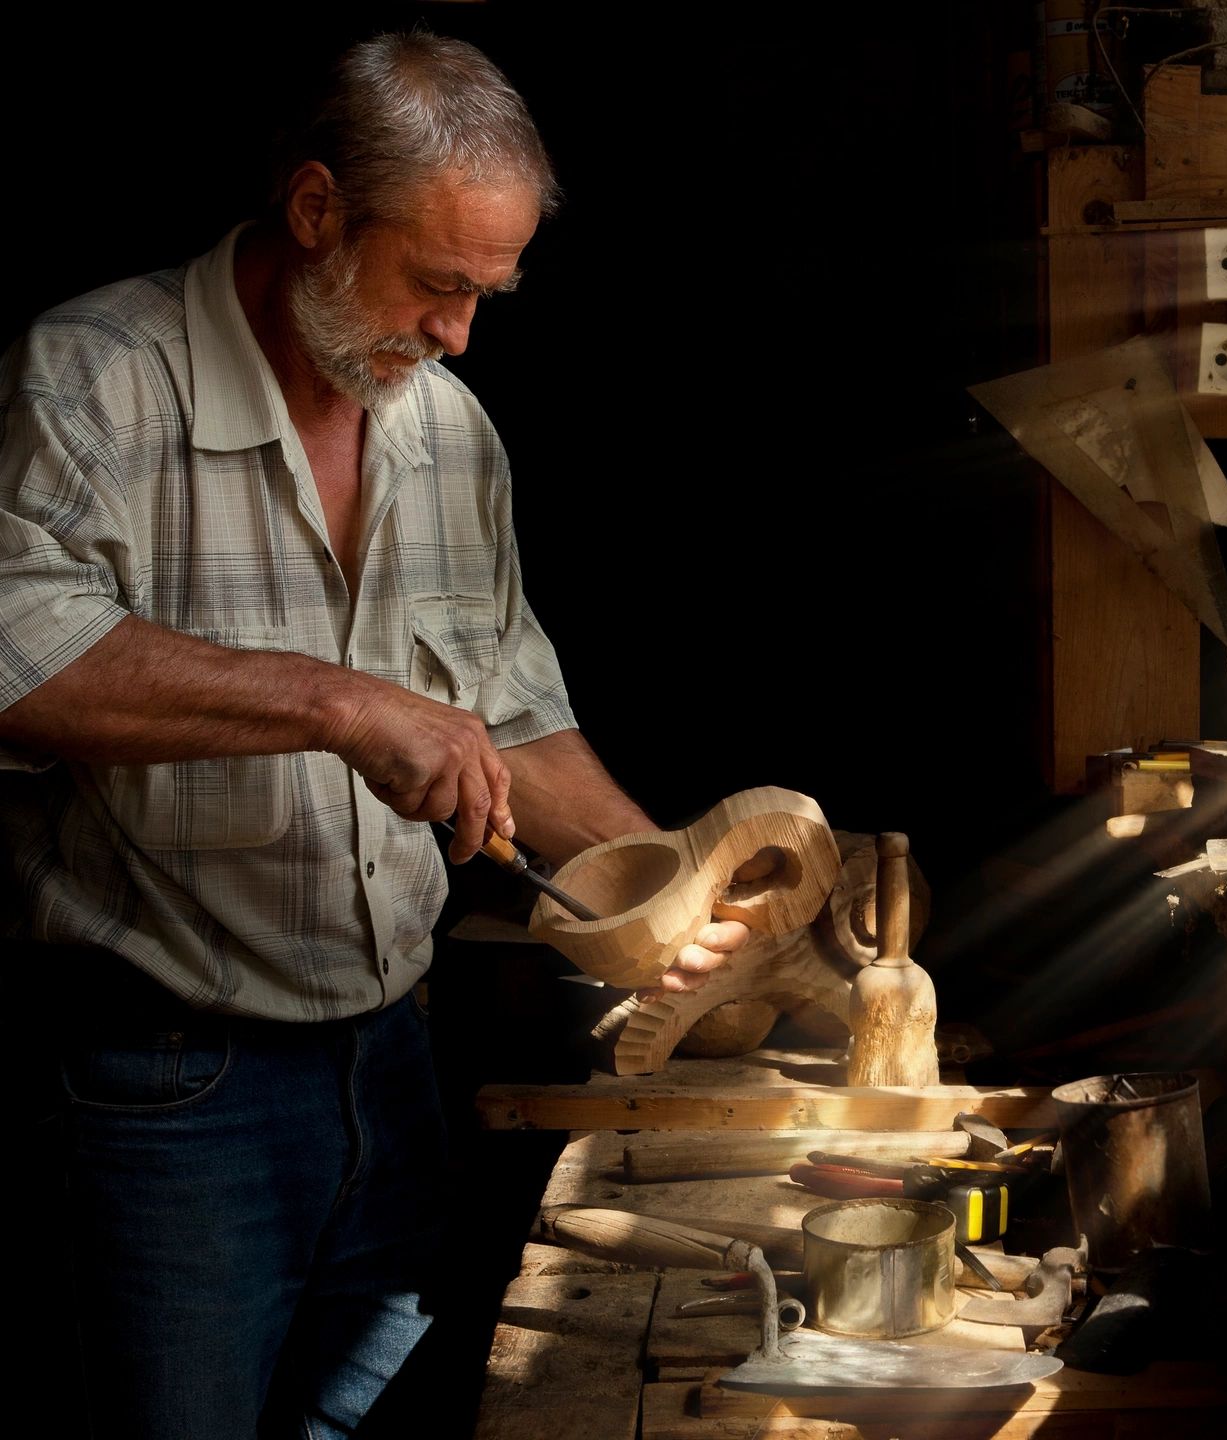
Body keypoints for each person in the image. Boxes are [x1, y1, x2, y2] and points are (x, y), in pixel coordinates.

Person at [0, 31, 743, 1438]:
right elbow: (13, 663)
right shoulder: (93, 380)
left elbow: (511, 714)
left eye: (488, 294)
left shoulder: (445, 429)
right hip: (173, 1085)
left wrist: (676, 886)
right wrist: (343, 705)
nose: (461, 334)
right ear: (318, 209)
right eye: (440, 283)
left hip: (394, 1062)